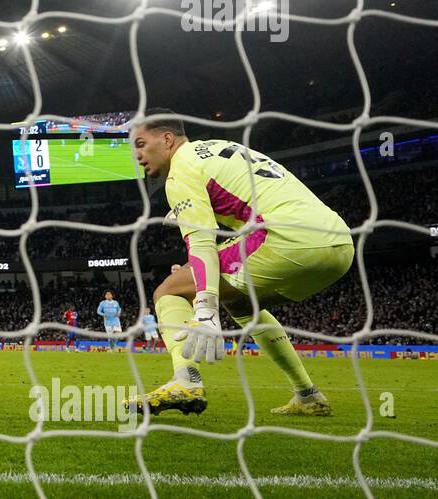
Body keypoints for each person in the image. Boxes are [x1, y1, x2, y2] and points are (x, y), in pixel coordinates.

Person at [123, 109, 353, 417]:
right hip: (338, 245)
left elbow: (202, 243)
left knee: (169, 291)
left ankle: (185, 381)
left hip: (287, 240)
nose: (136, 154)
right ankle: (308, 395)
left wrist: (205, 306)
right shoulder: (218, 148)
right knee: (243, 304)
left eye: (140, 143)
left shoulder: (181, 170)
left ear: (167, 139)